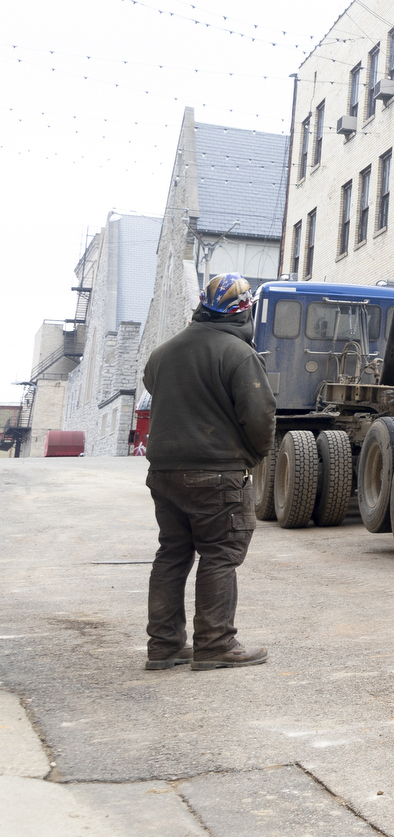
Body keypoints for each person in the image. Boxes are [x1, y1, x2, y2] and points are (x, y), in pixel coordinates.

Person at [140, 273, 275, 671]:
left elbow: (155, 387)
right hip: (216, 473)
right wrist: (252, 456)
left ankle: (163, 646)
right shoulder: (237, 353)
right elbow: (260, 415)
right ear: (245, 309)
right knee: (220, 553)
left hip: (163, 472)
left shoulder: (163, 353)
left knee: (173, 553)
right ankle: (215, 644)